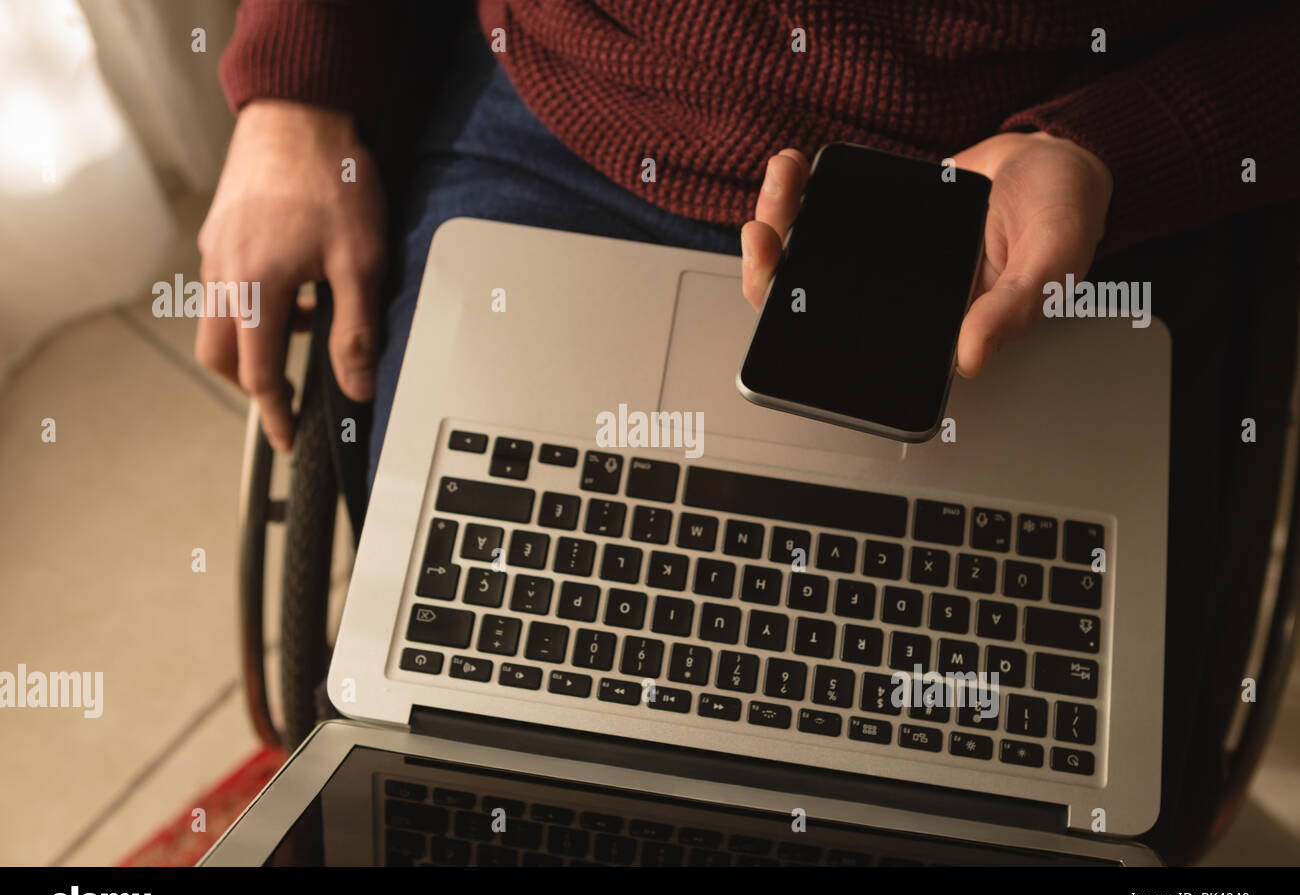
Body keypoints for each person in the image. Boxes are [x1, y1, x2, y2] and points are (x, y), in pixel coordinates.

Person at [198, 0, 1300, 459]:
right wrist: (296, 87)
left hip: (1060, 172)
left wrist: (1125, 150)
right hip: (583, 102)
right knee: (475, 658)